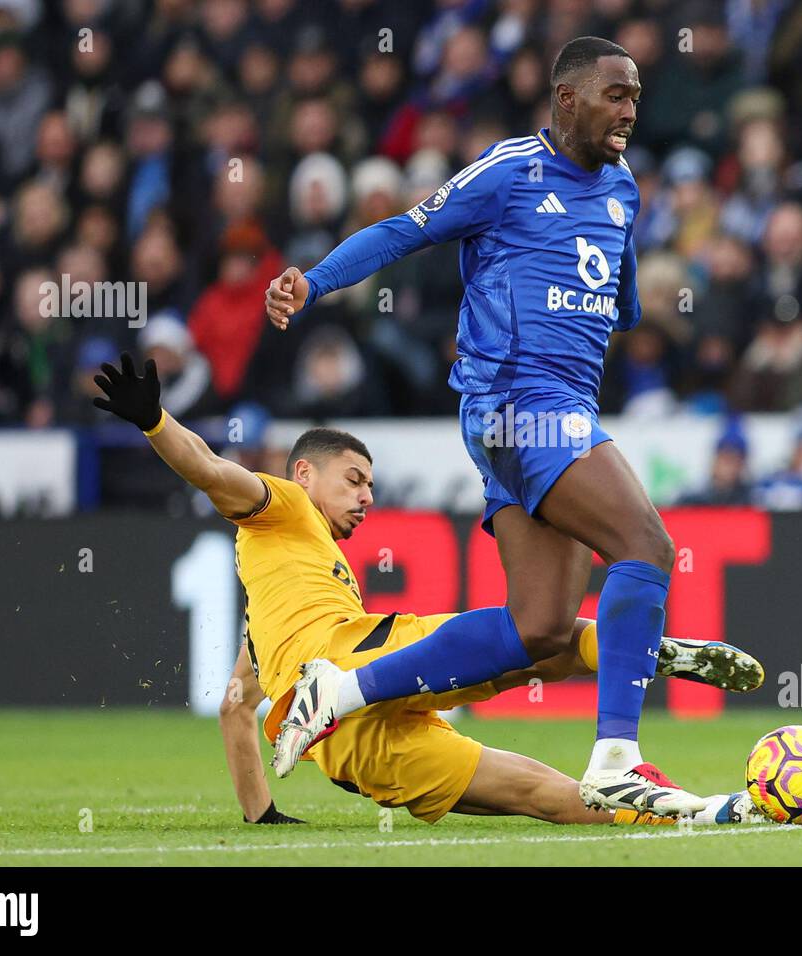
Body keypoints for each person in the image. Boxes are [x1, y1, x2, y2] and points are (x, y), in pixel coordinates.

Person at [262, 37, 708, 815]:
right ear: (566, 99)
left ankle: (342, 689)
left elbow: (620, 287)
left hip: (559, 408)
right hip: (519, 405)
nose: (631, 111)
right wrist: (315, 280)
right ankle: (615, 759)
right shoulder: (509, 170)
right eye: (615, 95)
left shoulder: (623, 188)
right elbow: (405, 229)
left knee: (538, 629)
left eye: (636, 95)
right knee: (648, 547)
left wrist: (621, 307)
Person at [90, 353, 762, 827]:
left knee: (542, 784)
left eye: (372, 486)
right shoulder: (285, 504)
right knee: (528, 652)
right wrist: (155, 421)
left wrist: (263, 817)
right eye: (353, 479)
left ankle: (703, 809)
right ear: (304, 472)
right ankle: (636, 650)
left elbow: (237, 708)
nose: (366, 497)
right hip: (356, 659)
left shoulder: (281, 596)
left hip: (343, 744)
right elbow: (210, 470)